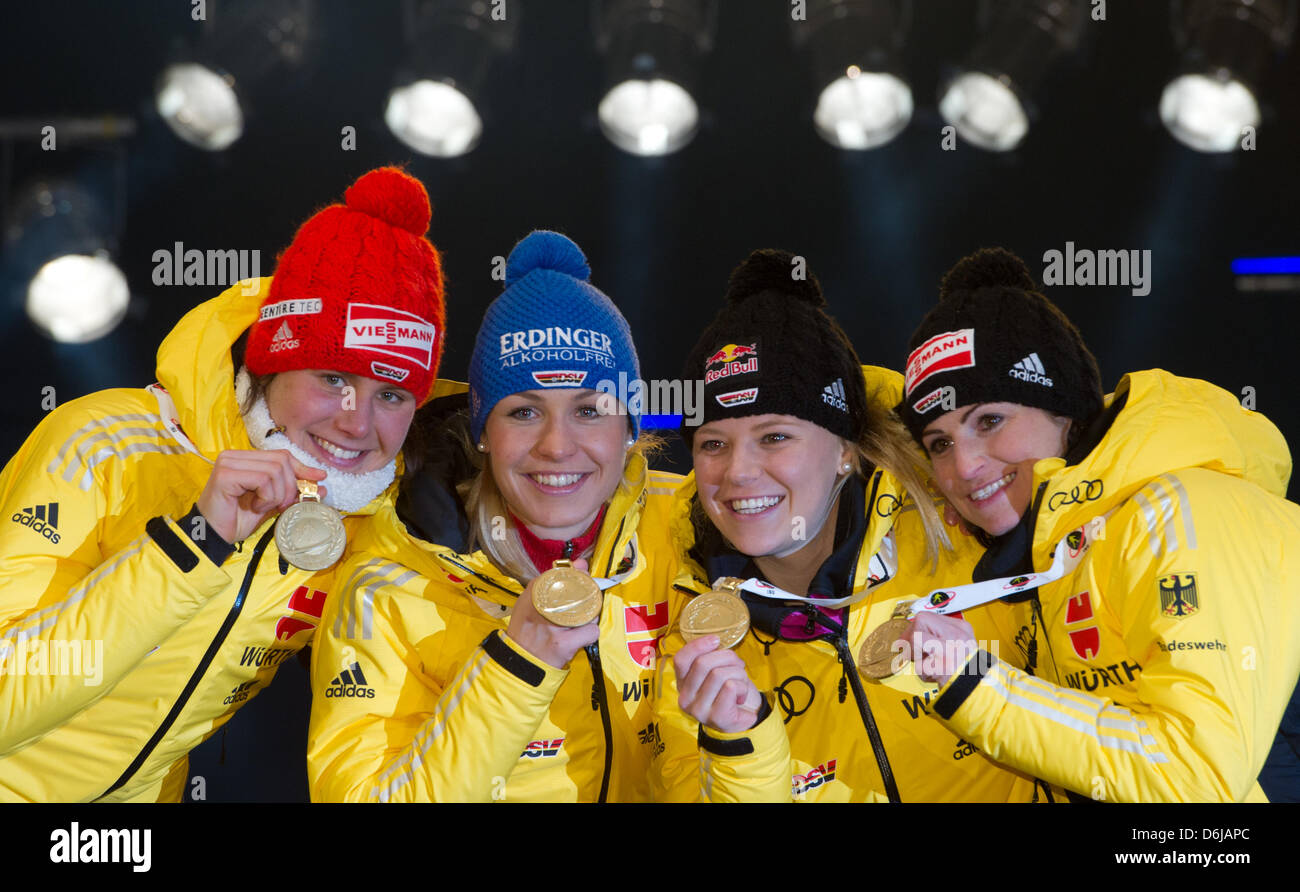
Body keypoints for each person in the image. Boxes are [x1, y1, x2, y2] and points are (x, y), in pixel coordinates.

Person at [0, 166, 446, 801]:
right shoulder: (103, 443)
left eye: (394, 393)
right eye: (331, 379)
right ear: (271, 363)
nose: (356, 421)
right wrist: (193, 544)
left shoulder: (375, 523)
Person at [898, 247, 1300, 802]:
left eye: (990, 420)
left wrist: (976, 685)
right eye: (939, 443)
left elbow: (1195, 781)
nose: (963, 466)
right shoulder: (1039, 552)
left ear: (1065, 408)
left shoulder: (1189, 513)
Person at [651, 249, 1049, 802]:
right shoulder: (694, 643)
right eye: (713, 443)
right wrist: (737, 741)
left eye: (774, 436)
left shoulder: (964, 538)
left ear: (844, 451)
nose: (737, 472)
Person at [307, 230, 684, 802]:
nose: (557, 446)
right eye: (525, 411)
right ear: (483, 432)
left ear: (630, 429)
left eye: (590, 410)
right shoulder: (388, 585)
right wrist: (515, 664)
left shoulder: (688, 528)